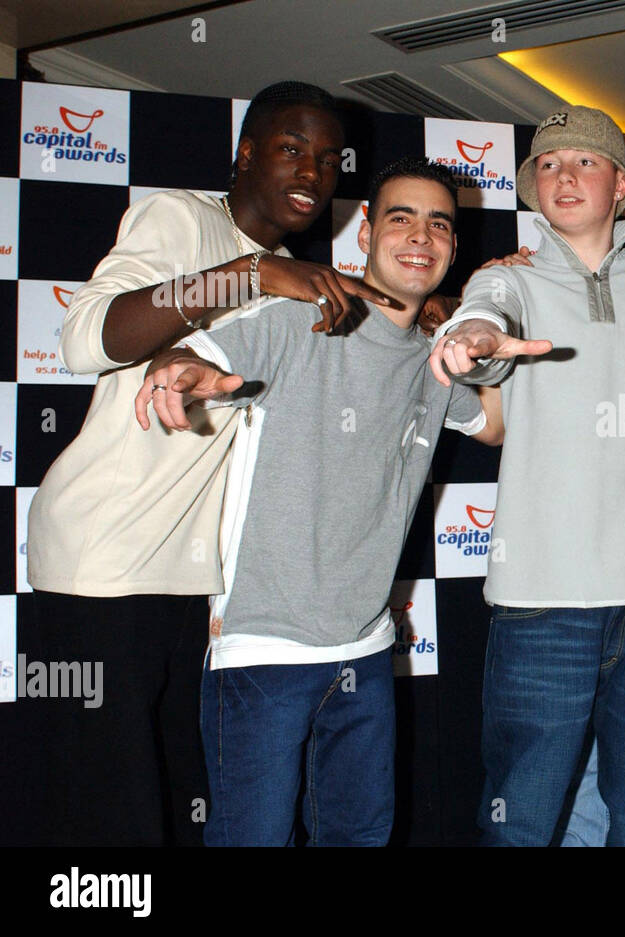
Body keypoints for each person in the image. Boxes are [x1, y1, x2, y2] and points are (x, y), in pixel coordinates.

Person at [18, 81, 389, 846]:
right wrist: (248, 276)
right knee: (104, 814)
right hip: (104, 562)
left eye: (326, 160)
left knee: (183, 802)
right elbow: (89, 337)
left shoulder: (294, 277)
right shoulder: (183, 220)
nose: (311, 174)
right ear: (245, 153)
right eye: (291, 149)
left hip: (196, 584)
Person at [133, 157, 514, 846]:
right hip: (262, 652)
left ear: (453, 247)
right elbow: (198, 356)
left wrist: (489, 311)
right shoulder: (297, 320)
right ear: (364, 229)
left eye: (439, 224)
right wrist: (181, 370)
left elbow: (495, 423)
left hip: (366, 651)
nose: (420, 237)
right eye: (400, 216)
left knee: (359, 835)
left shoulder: (437, 360)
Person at [427, 105, 625, 847]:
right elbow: (481, 323)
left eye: (585, 161)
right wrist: (472, 336)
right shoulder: (513, 283)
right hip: (543, 602)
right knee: (519, 820)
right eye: (549, 165)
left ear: (622, 184)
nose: (565, 176)